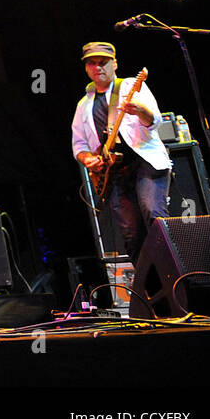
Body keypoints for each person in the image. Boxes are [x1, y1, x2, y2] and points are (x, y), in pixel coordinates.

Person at [71, 41, 171, 262]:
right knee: (131, 236)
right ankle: (150, 292)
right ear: (87, 68)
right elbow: (79, 145)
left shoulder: (129, 87)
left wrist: (140, 110)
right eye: (92, 63)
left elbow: (154, 121)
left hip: (145, 163)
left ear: (114, 64)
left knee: (154, 215)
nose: (98, 67)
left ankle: (176, 278)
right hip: (115, 173)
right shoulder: (83, 105)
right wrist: (88, 160)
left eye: (103, 62)